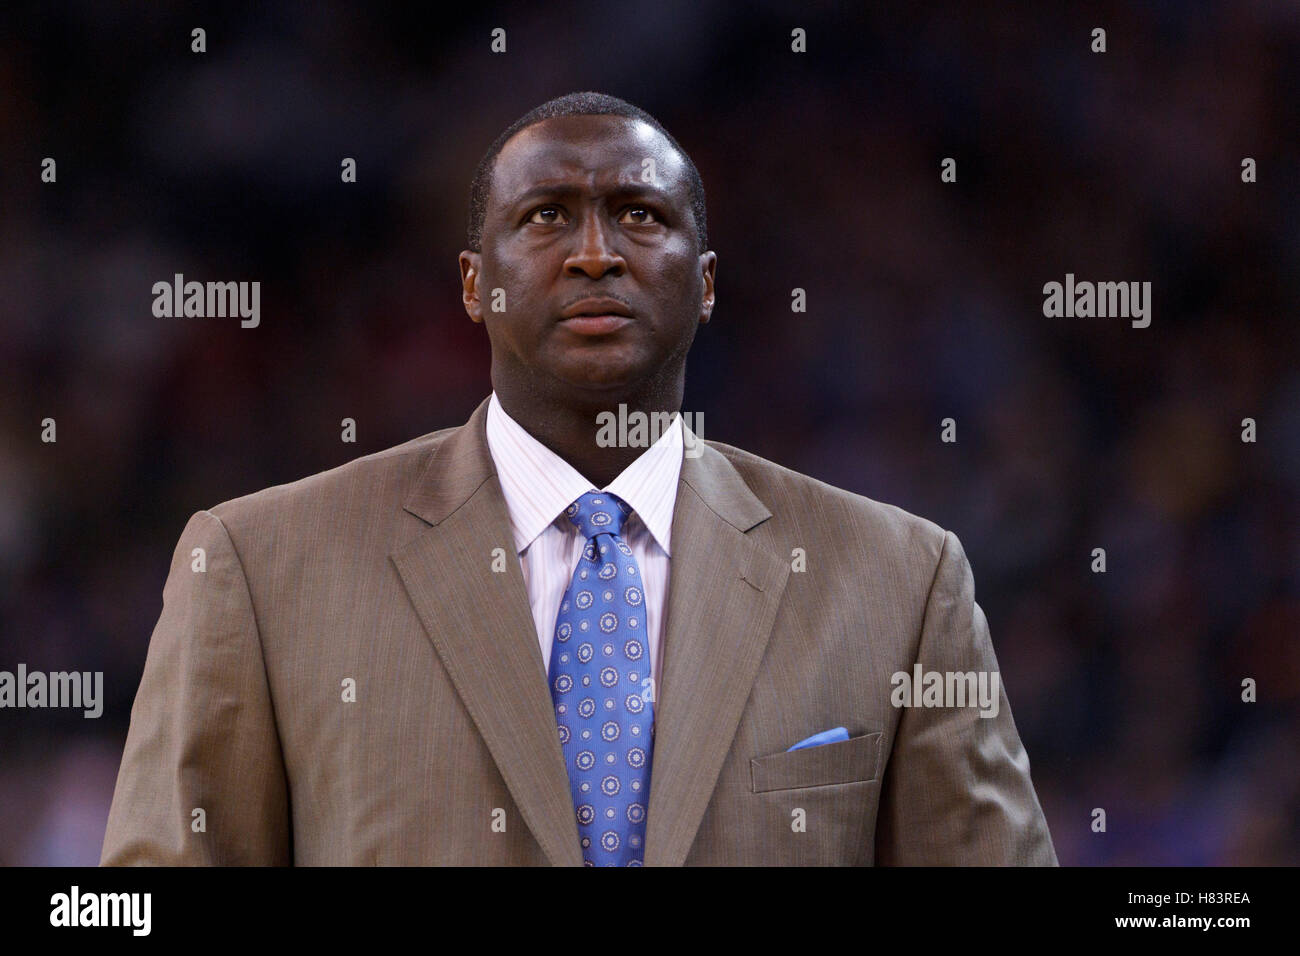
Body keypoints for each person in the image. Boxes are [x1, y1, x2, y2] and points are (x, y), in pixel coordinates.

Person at [101, 91, 1057, 866]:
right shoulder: (260, 566)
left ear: (707, 282)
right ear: (475, 285)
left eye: (639, 215)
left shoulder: (900, 578)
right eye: (546, 216)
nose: (595, 252)